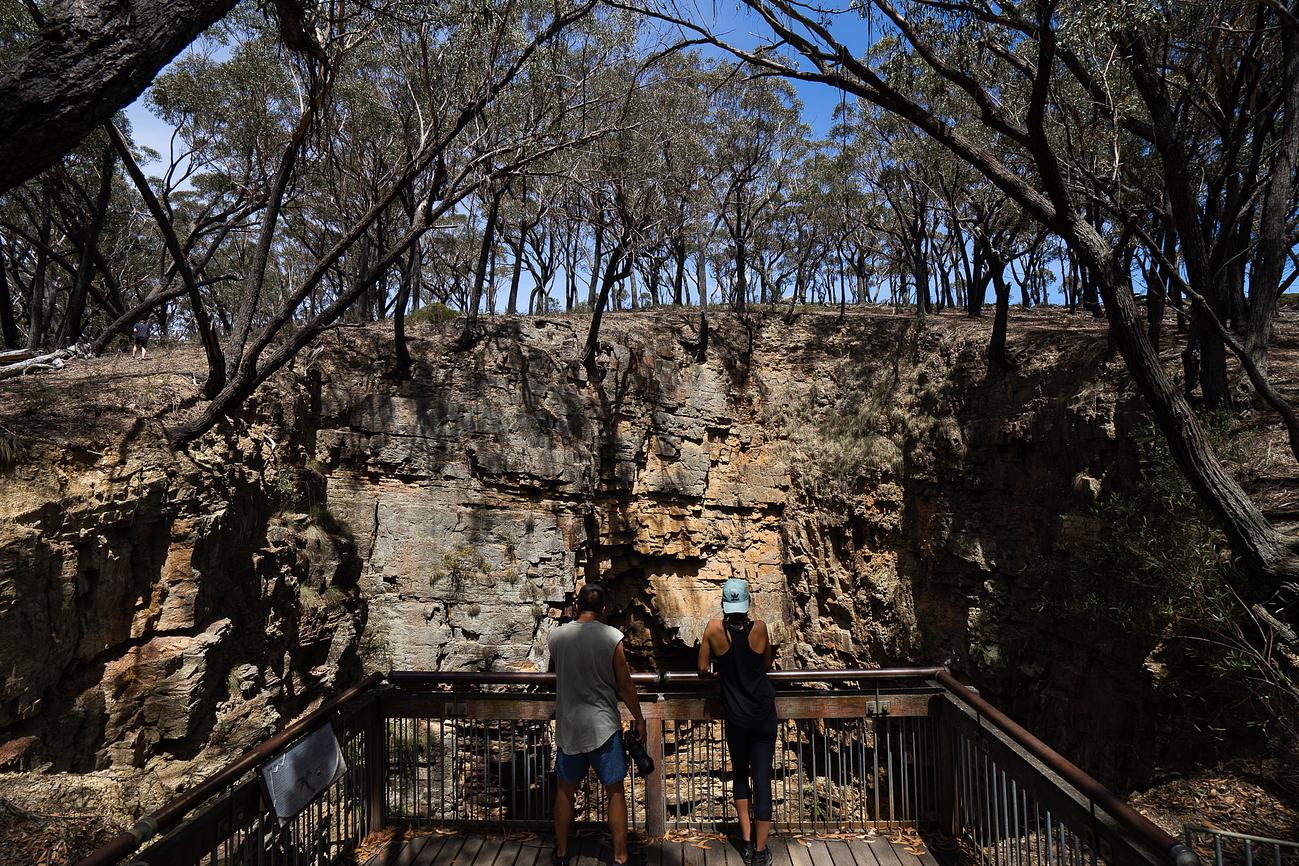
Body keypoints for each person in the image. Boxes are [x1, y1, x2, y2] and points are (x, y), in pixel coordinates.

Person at [549, 583, 647, 866]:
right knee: (614, 790)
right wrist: (638, 718)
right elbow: (625, 682)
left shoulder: (557, 637)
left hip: (569, 727)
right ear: (603, 609)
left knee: (565, 790)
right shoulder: (611, 636)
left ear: (577, 606)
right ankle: (620, 855)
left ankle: (562, 852)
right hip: (604, 727)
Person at [697, 578, 776, 866]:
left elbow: (702, 668)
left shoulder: (714, 630)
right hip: (764, 714)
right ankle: (760, 850)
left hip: (737, 718)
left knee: (741, 776)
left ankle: (744, 843)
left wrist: (723, 670)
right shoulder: (761, 628)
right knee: (763, 778)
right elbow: (766, 665)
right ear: (747, 603)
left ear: (724, 603)